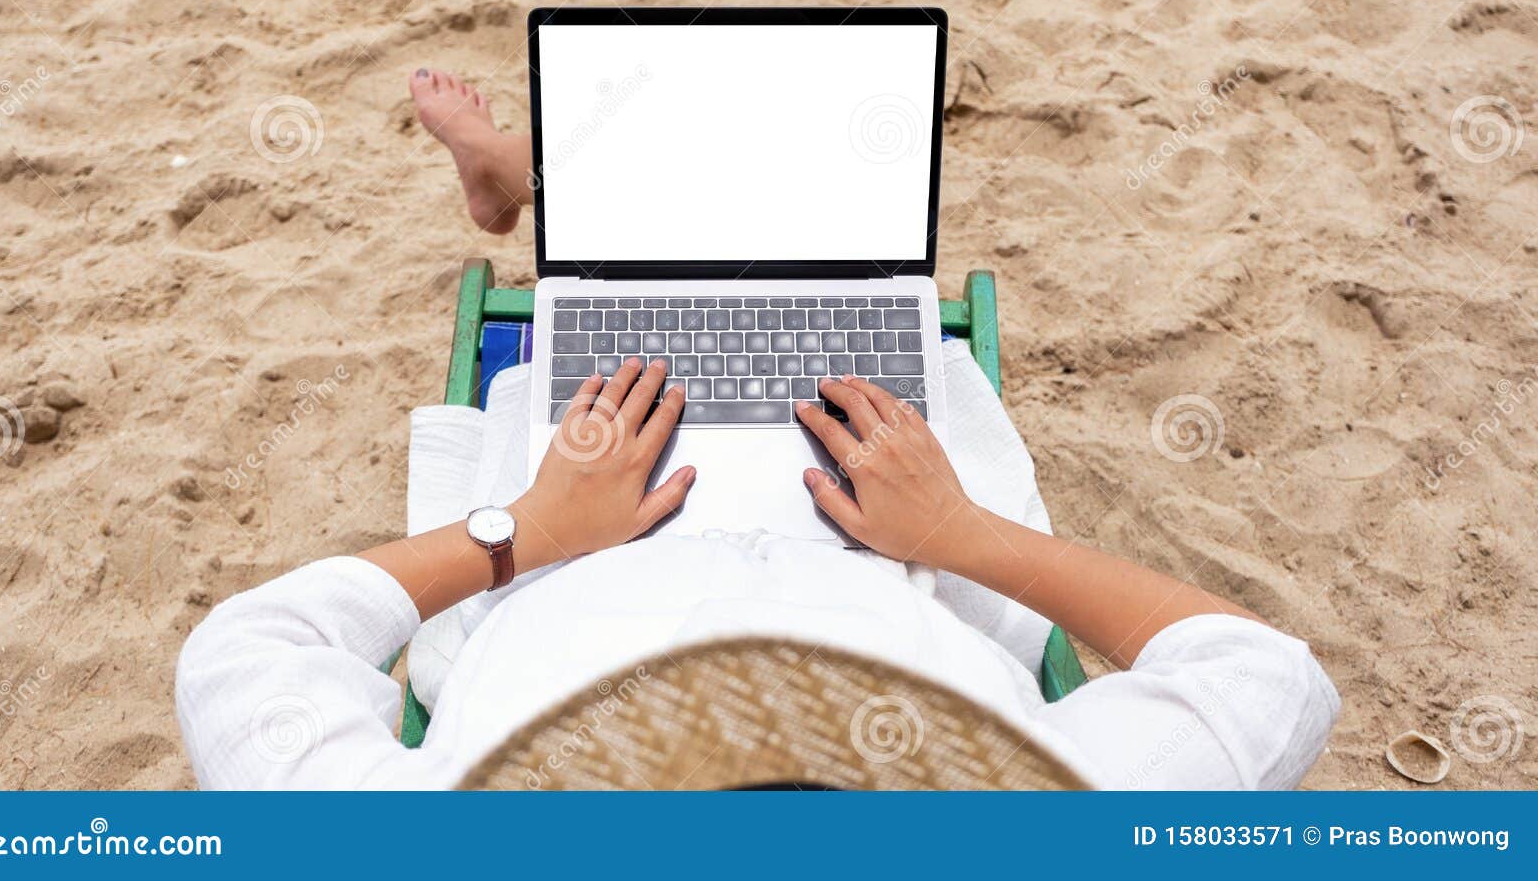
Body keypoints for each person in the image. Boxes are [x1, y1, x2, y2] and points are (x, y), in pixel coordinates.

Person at [173, 70, 1338, 790]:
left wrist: (515, 534)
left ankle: (516, 172)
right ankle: (520, 171)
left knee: (636, 303)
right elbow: (1261, 675)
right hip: (890, 543)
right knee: (820, 279)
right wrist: (964, 533)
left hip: (578, 536)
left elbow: (246, 657)